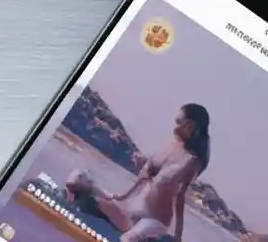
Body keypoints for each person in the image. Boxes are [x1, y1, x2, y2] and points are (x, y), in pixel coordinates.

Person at [65, 104, 210, 242]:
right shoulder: (171, 145)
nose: (174, 127)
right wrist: (121, 196)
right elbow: (142, 178)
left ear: (189, 126)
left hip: (153, 221)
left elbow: (179, 197)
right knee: (77, 181)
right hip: (132, 208)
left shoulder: (191, 162)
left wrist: (178, 236)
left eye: (178, 122)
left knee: (127, 239)